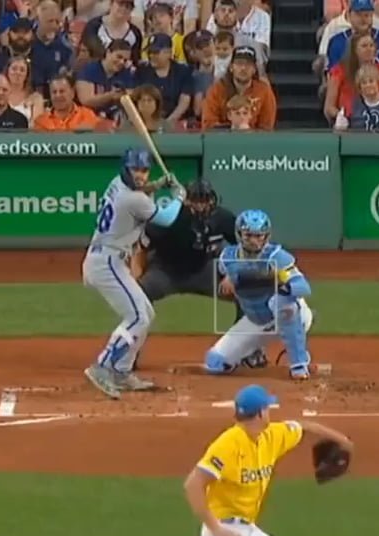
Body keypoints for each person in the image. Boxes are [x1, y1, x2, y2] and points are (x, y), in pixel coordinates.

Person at [184, 384, 354, 536]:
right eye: (267, 408)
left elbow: (305, 427)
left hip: (247, 530)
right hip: (223, 532)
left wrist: (344, 440)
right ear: (261, 413)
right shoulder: (228, 444)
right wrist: (218, 531)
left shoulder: (271, 436)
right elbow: (193, 485)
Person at [131, 179, 270, 370]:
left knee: (249, 290)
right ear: (185, 201)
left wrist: (233, 274)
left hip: (204, 270)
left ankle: (246, 350)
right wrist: (136, 277)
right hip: (165, 272)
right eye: (196, 200)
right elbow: (141, 250)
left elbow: (244, 249)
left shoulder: (222, 218)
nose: (201, 206)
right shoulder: (167, 219)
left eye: (205, 200)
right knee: (137, 297)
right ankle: (127, 354)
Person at [82, 149, 186, 399]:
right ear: (125, 169)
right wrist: (179, 196)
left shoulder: (117, 185)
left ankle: (121, 371)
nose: (139, 175)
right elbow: (167, 218)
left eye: (143, 170)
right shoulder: (134, 200)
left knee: (145, 314)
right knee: (138, 316)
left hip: (108, 259)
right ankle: (103, 366)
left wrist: (157, 185)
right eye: (135, 170)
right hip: (106, 262)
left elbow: (140, 190)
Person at [206, 210, 315, 380]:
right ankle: (246, 354)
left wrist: (281, 281)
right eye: (248, 235)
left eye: (259, 236)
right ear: (239, 234)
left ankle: (299, 364)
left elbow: (303, 287)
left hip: (284, 315)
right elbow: (226, 279)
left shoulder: (277, 256)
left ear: (266, 236)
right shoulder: (228, 258)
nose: (254, 241)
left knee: (285, 305)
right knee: (215, 362)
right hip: (256, 320)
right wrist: (229, 278)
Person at [201, 45, 276, 129]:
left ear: (254, 69)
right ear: (231, 67)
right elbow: (208, 124)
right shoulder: (216, 90)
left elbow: (267, 127)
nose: (243, 68)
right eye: (239, 63)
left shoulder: (264, 91)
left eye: (248, 64)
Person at [32, 71, 102, 130]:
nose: (58, 96)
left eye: (62, 91)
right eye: (54, 92)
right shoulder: (41, 122)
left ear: (72, 93)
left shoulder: (87, 115)